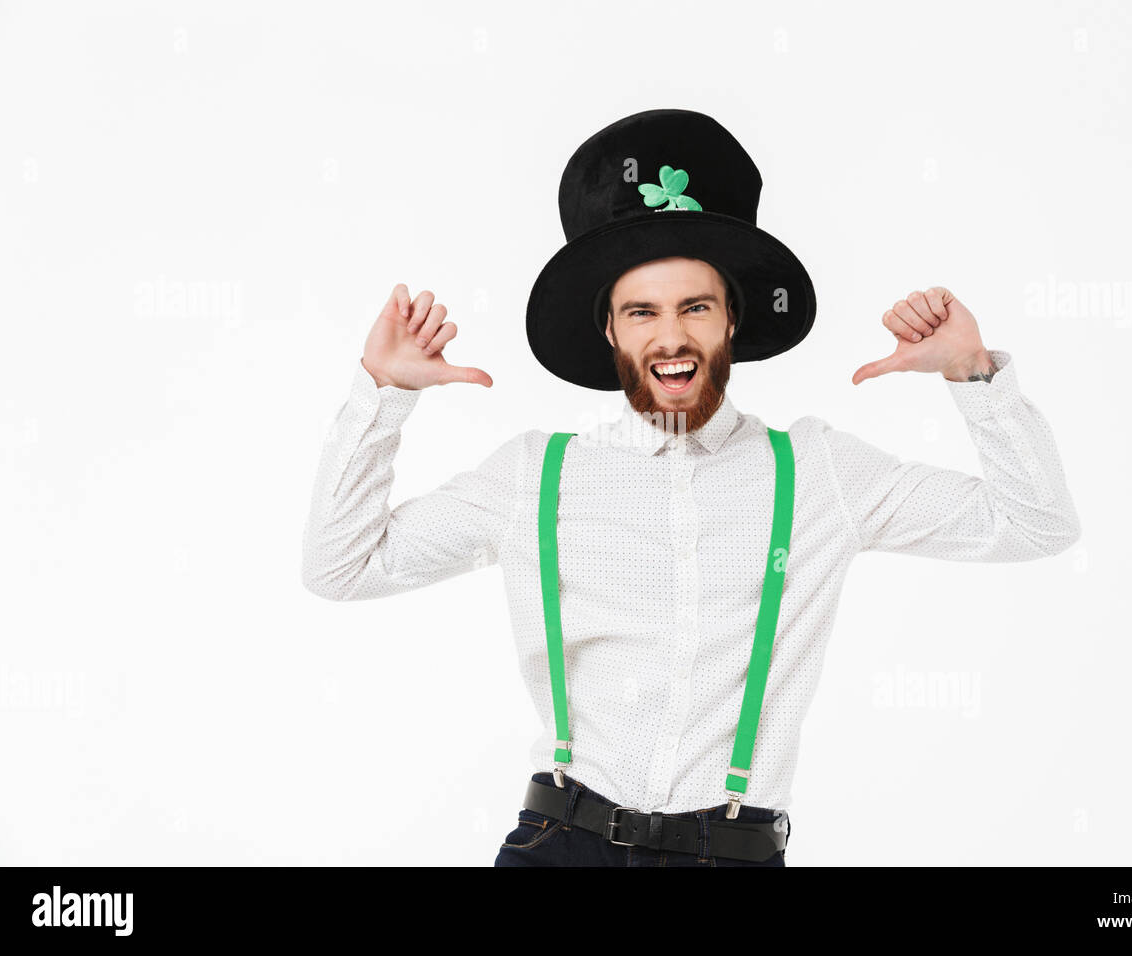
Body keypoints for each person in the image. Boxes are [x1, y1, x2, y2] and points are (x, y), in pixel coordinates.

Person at [301, 109, 1081, 867]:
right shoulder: (538, 473)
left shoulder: (816, 471)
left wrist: (974, 377)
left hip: (733, 850)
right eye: (641, 311)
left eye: (695, 307)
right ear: (609, 330)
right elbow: (341, 568)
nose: (669, 336)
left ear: (731, 320)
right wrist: (382, 396)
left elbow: (1036, 523)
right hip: (561, 844)